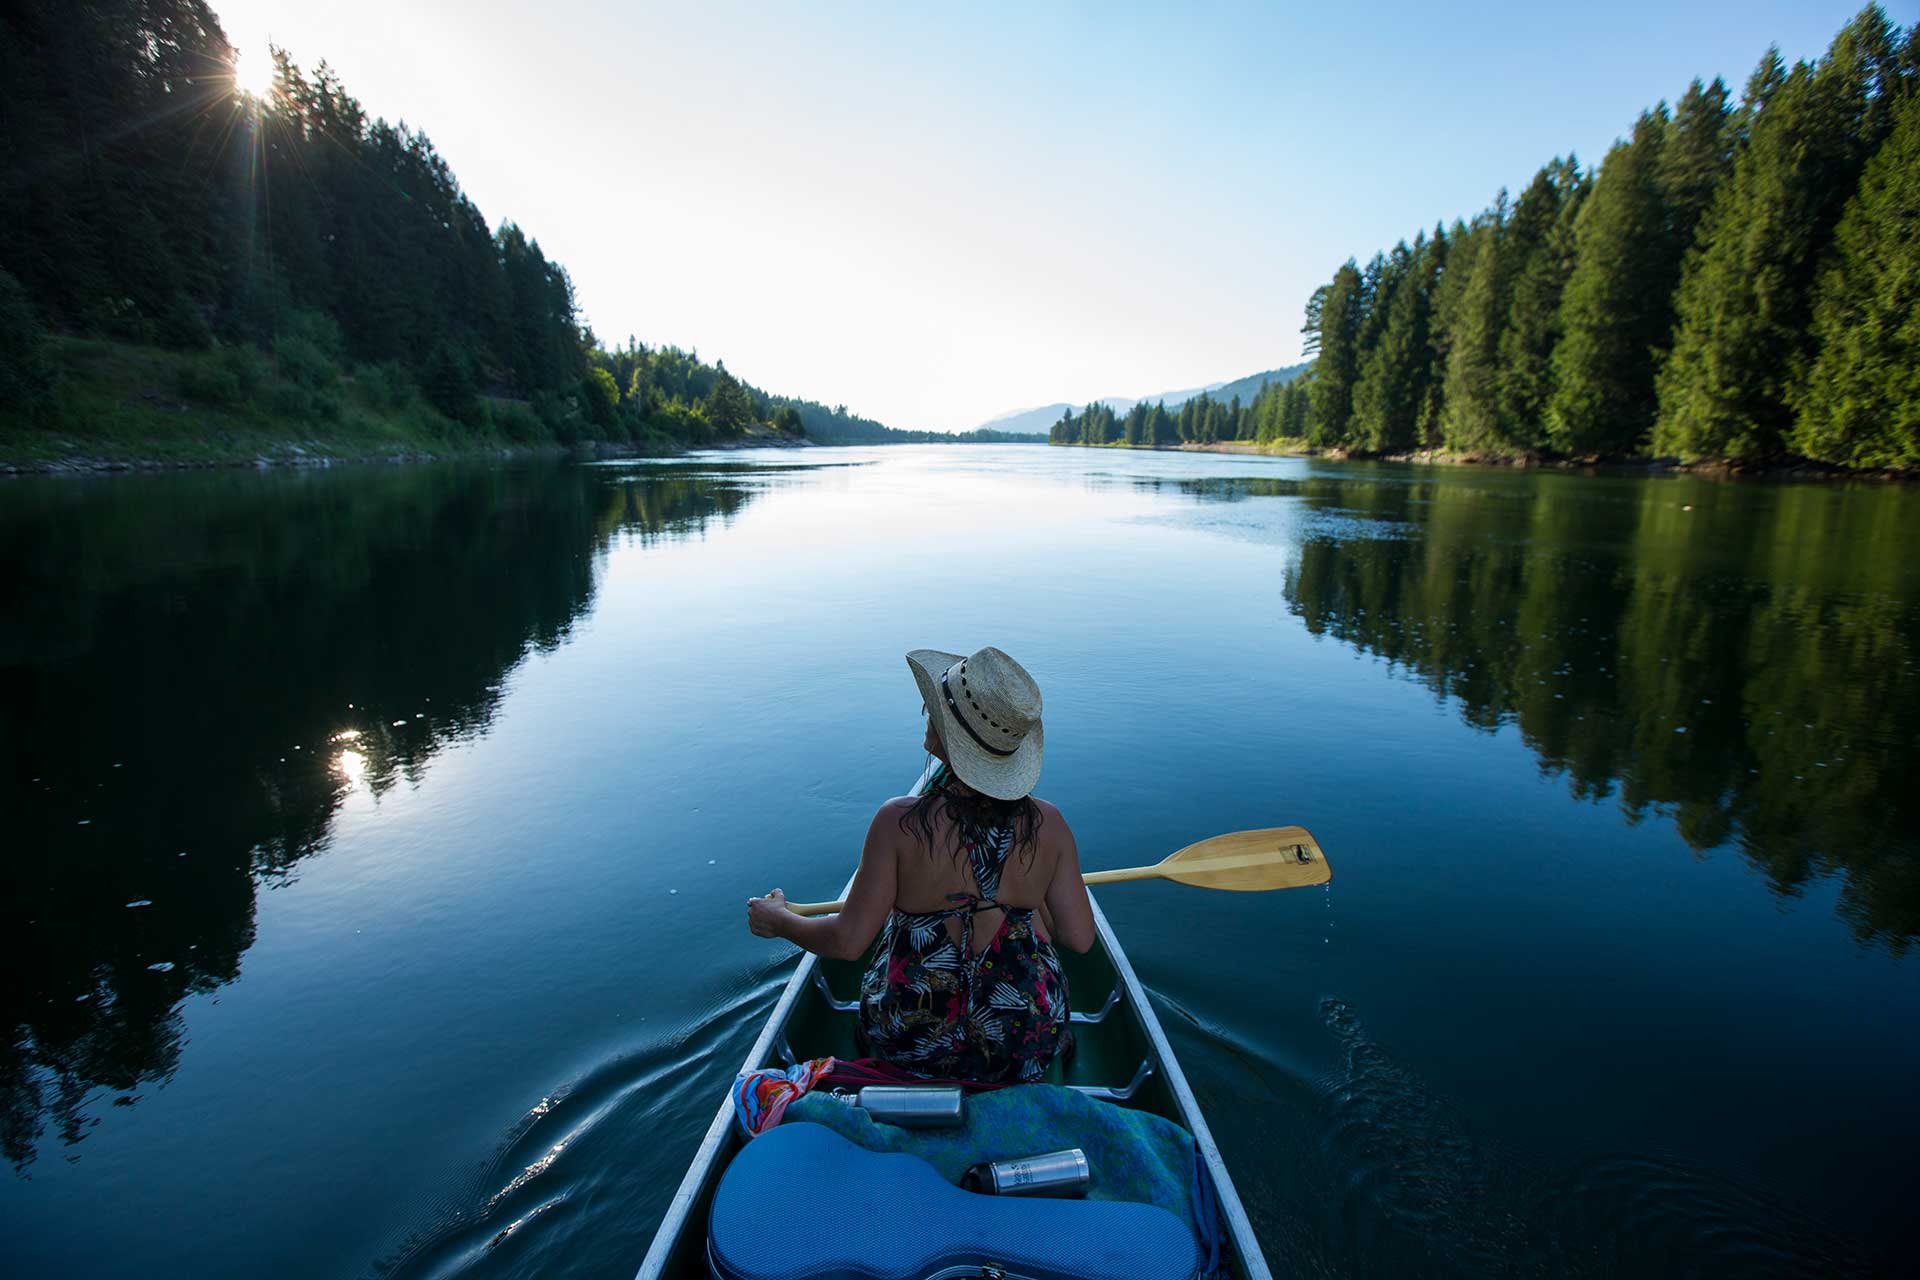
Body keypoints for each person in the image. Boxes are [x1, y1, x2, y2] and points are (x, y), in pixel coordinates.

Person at [747, 646, 1094, 1083]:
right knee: (1027, 923)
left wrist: (779, 921)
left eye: (934, 710)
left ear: (948, 736)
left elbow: (848, 942)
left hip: (913, 1043)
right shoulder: (1050, 824)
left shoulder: (898, 823)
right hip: (1022, 1040)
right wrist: (1027, 897)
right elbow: (1079, 939)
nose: (927, 715)